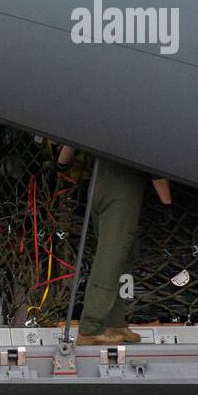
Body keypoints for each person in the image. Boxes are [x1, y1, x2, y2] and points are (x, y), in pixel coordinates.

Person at [56, 146, 170, 345]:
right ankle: (90, 329)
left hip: (99, 183)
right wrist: (167, 202)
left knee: (124, 256)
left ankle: (114, 322)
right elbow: (154, 164)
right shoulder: (142, 121)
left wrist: (61, 164)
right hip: (123, 188)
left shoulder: (101, 114)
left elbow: (72, 139)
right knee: (111, 257)